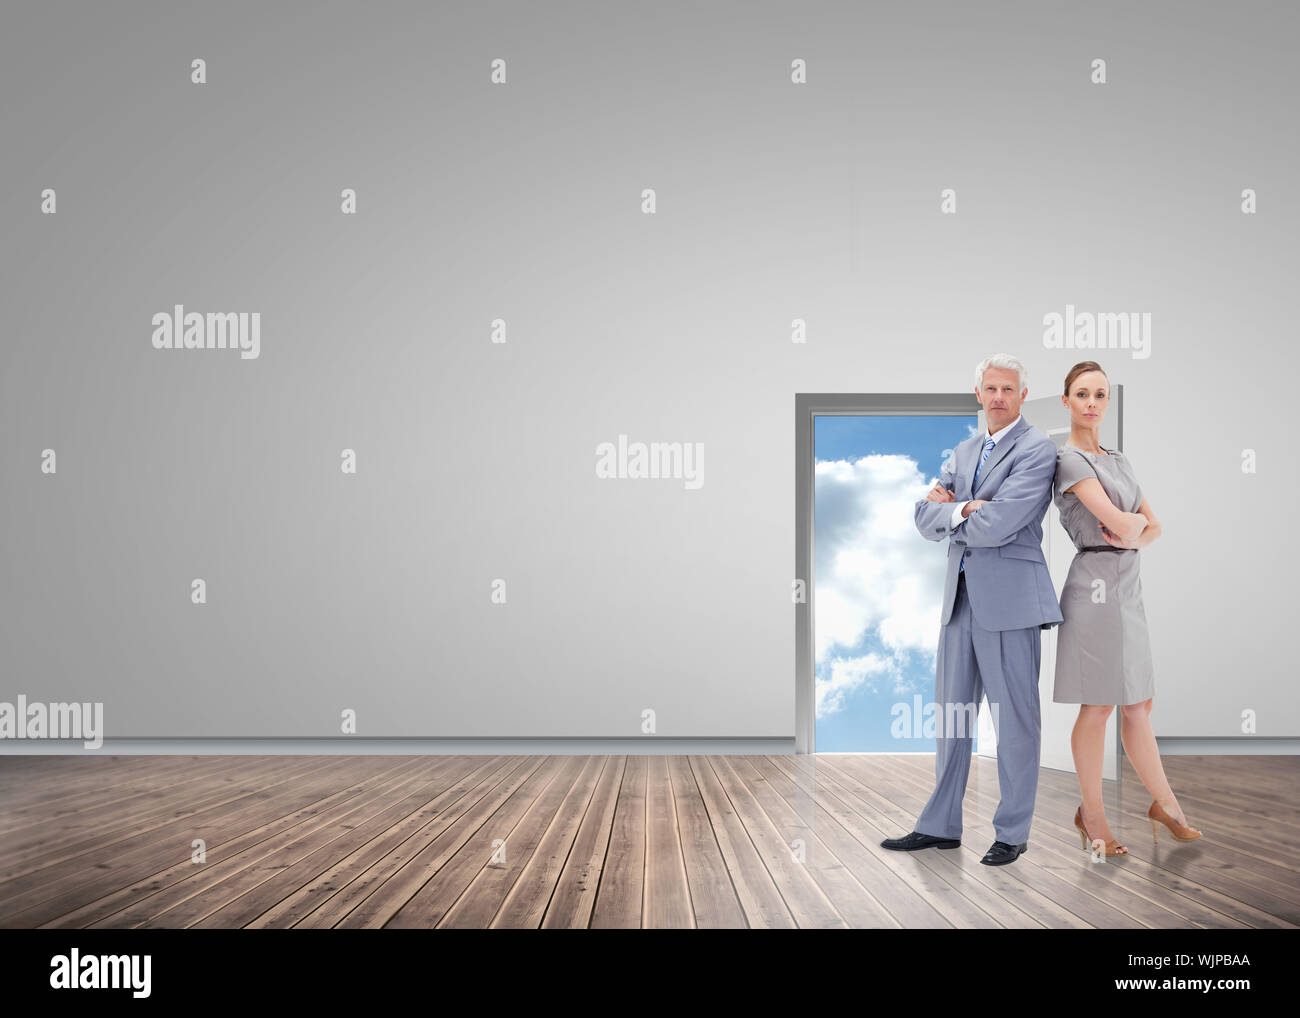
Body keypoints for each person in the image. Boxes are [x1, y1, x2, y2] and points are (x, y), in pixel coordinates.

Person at [882, 354, 1063, 866]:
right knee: (952, 721)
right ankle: (940, 827)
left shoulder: (1038, 449)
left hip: (1010, 603)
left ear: (1023, 395)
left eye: (1009, 388)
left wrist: (953, 511)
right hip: (958, 603)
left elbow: (1002, 523)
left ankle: (1012, 832)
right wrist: (963, 507)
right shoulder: (962, 451)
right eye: (991, 388)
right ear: (978, 393)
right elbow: (922, 516)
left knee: (1016, 723)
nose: (999, 397)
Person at [1052, 360, 1201, 855]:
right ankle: (1092, 817)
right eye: (1082, 394)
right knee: (1098, 705)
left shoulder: (1119, 459)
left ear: (1106, 402)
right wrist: (1134, 527)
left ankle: (1167, 805)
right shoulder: (1069, 460)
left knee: (1139, 704)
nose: (1091, 403)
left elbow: (1153, 527)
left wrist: (1135, 531)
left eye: (1099, 395)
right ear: (1066, 401)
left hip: (1129, 585)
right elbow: (1120, 519)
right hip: (1094, 586)